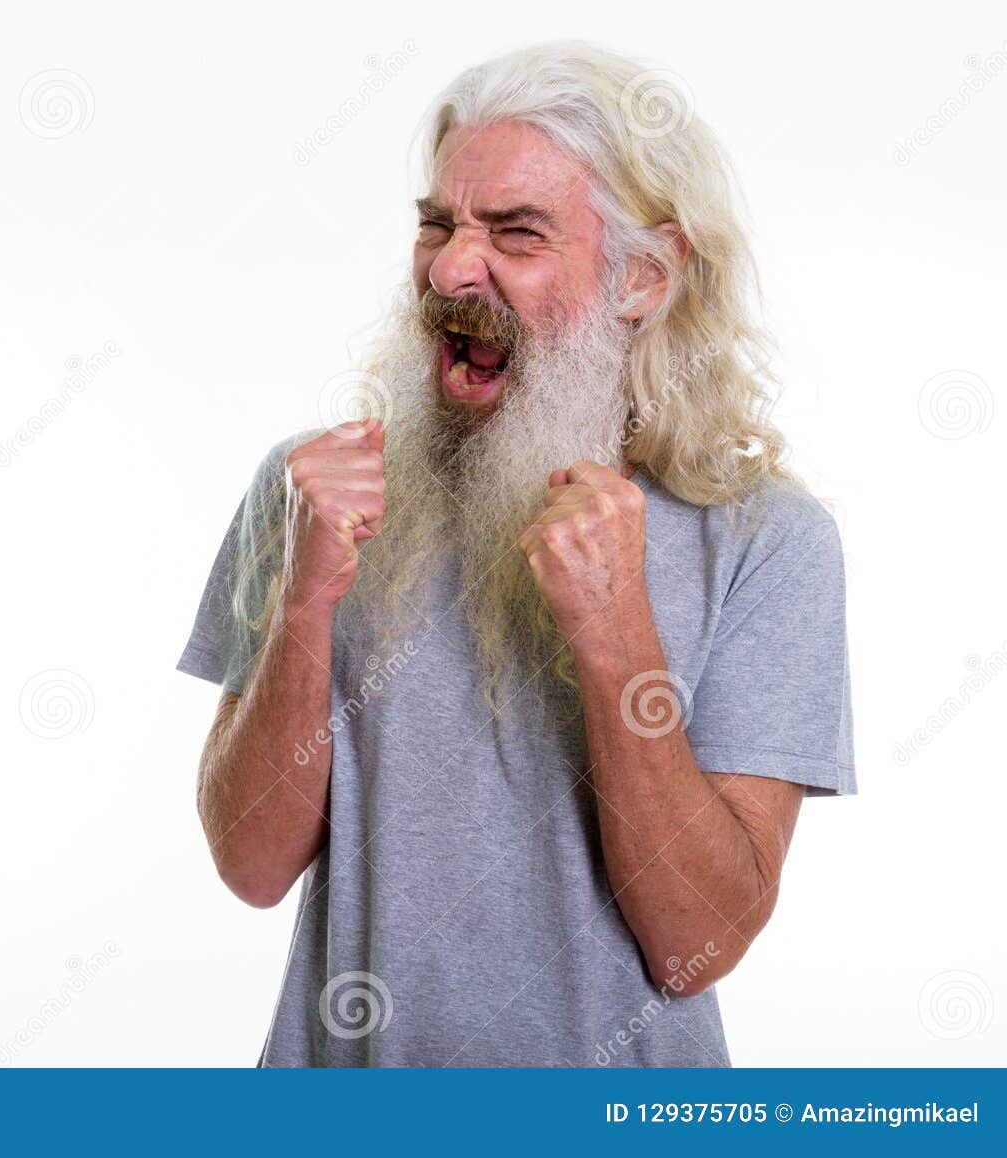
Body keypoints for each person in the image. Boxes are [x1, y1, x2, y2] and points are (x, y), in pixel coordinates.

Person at [177, 41, 855, 1067]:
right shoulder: (316, 492)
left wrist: (617, 631)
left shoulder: (768, 540)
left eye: (516, 234)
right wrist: (304, 602)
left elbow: (697, 942)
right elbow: (249, 864)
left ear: (642, 277)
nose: (451, 269)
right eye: (436, 225)